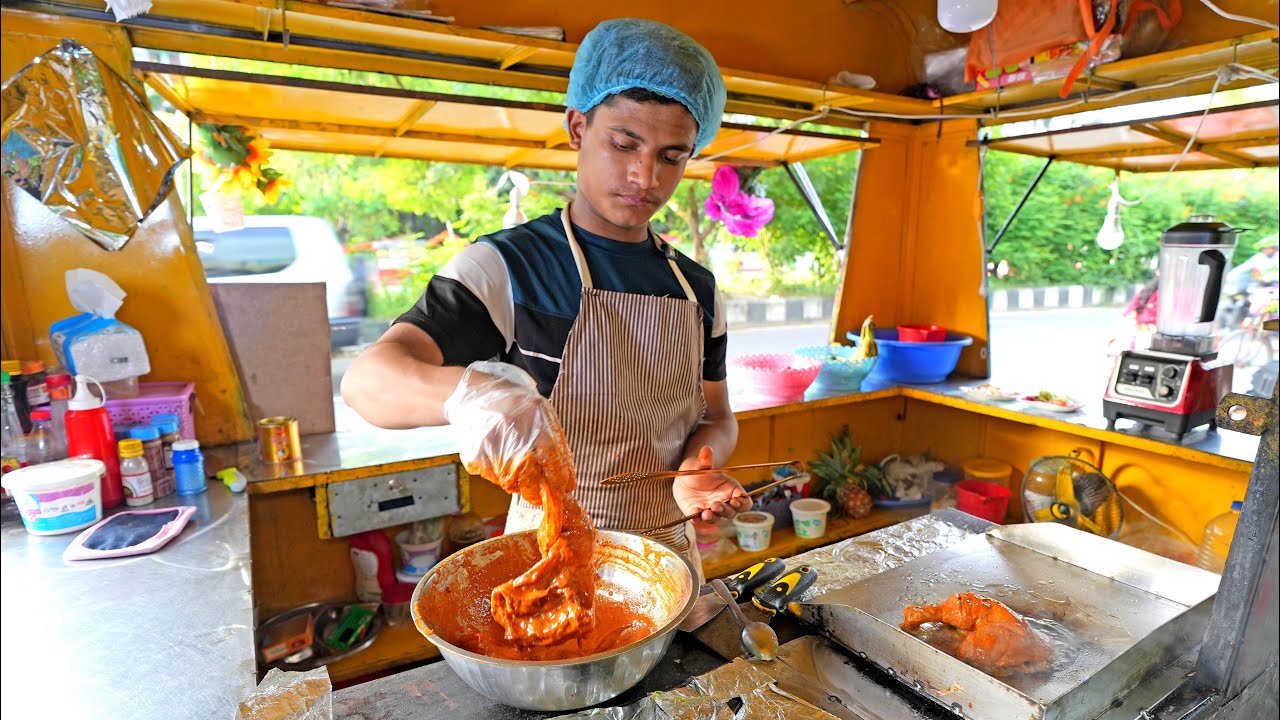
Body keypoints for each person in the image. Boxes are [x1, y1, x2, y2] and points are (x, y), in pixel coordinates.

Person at [341, 18, 748, 581]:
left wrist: (694, 469)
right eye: (624, 143)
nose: (644, 176)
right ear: (578, 126)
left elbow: (718, 417)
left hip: (668, 563)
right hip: (545, 562)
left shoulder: (696, 288)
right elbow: (366, 383)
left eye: (672, 156)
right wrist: (472, 398)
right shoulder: (508, 268)